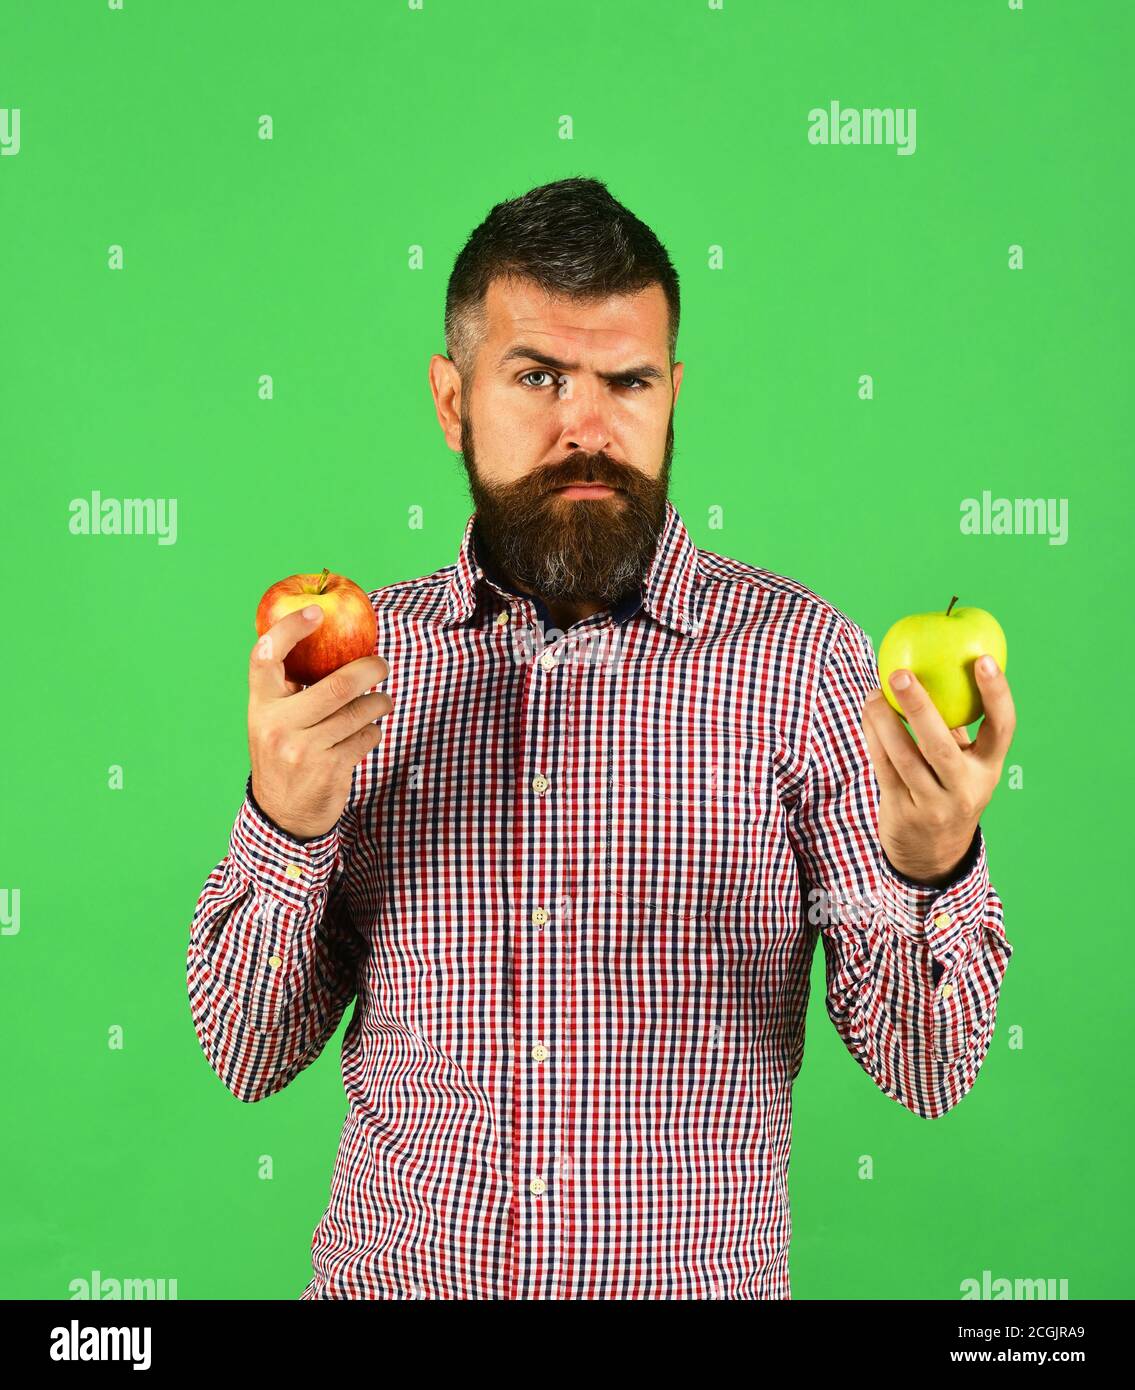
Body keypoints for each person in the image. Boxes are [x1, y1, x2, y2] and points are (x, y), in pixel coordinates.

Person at [187, 176, 1017, 1300]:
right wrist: (283, 821)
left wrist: (934, 867)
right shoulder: (360, 673)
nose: (588, 425)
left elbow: (928, 1070)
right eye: (538, 377)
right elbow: (244, 1050)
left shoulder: (804, 661)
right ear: (450, 400)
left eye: (627, 382)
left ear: (672, 395)